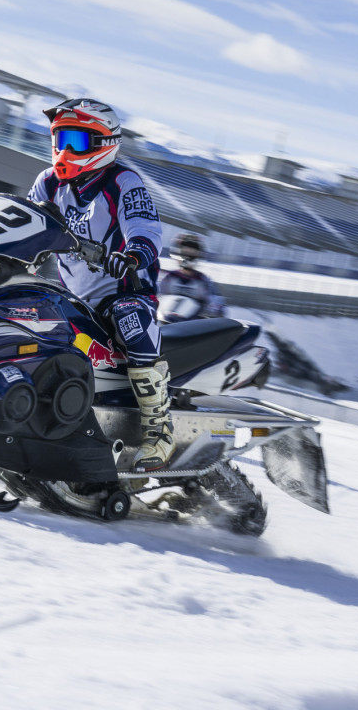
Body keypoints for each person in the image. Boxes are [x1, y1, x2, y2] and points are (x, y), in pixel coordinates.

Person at [28, 97, 172, 471]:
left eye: (75, 141)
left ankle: (159, 430)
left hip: (122, 292)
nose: (64, 151)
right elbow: (27, 222)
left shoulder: (123, 182)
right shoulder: (47, 183)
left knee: (131, 321)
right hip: (73, 295)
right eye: (60, 140)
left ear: (103, 143)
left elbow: (145, 228)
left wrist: (133, 255)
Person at [159, 232, 226, 320]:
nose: (188, 255)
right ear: (178, 252)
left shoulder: (204, 282)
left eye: (192, 252)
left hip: (191, 327)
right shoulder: (168, 278)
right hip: (163, 321)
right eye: (185, 251)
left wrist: (210, 310)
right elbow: (154, 295)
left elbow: (217, 306)